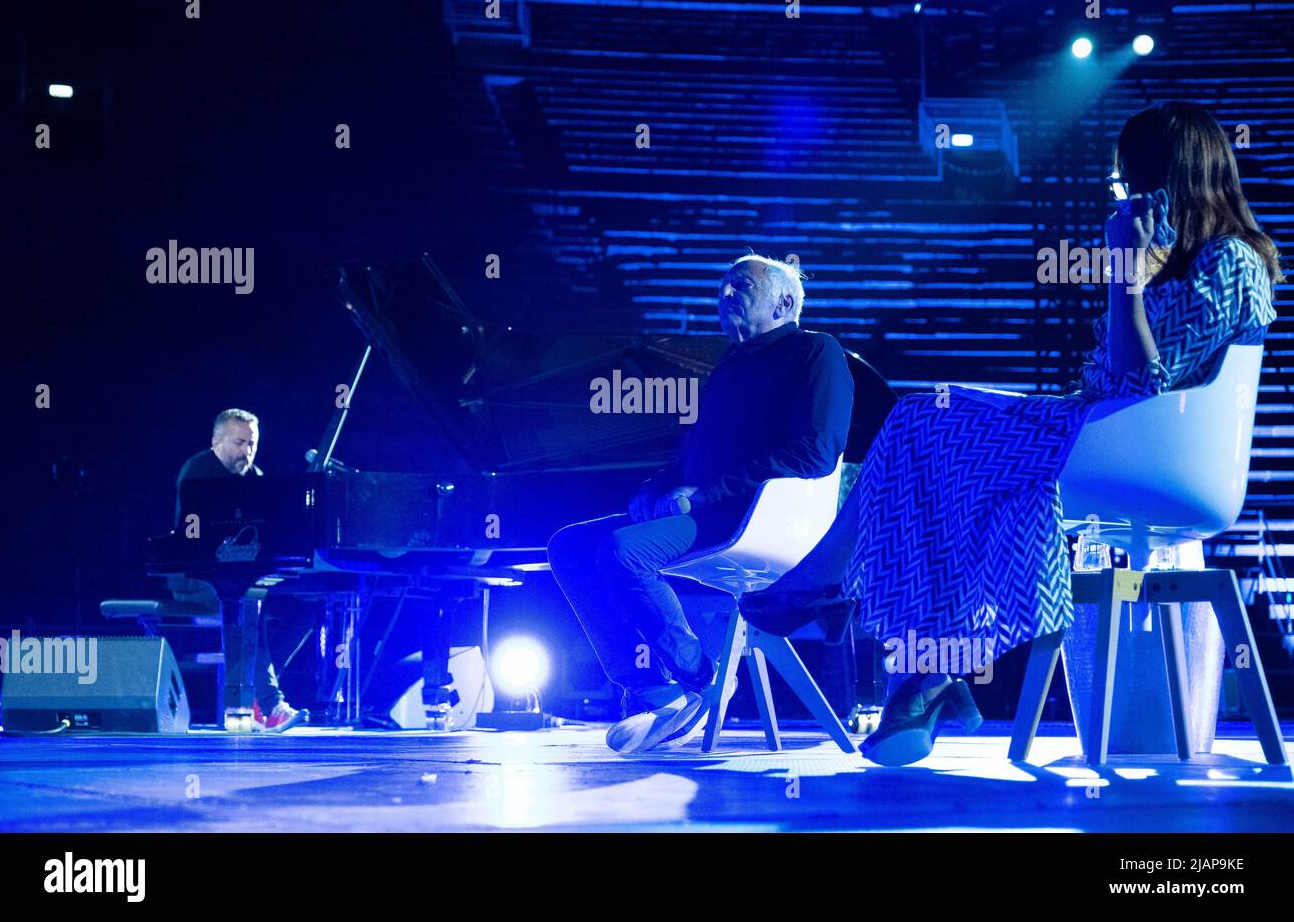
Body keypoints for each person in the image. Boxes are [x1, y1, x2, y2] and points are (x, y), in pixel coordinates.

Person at [740, 101, 1282, 765]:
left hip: (1145, 452)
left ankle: (860, 612)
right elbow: (1125, 380)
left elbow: (1139, 388)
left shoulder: (1231, 262)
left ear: (1167, 178)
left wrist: (1125, 275)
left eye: (1127, 181)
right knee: (934, 444)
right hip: (1104, 432)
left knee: (923, 425)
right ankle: (925, 664)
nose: (1120, 196)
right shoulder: (1177, 257)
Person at [547, 255, 856, 753]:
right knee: (569, 545)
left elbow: (815, 454)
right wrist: (654, 489)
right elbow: (692, 458)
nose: (726, 293)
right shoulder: (729, 366)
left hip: (756, 519)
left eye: (741, 286)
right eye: (722, 286)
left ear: (784, 301)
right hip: (708, 510)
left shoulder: (815, 352)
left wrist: (704, 496)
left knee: (626, 552)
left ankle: (697, 678)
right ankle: (652, 691)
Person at [174, 408, 311, 733]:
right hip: (195, 575)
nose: (246, 452)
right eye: (239, 443)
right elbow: (192, 538)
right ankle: (269, 705)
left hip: (243, 574)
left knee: (303, 609)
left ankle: (250, 687)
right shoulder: (197, 472)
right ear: (216, 442)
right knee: (249, 604)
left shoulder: (256, 479)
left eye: (252, 444)